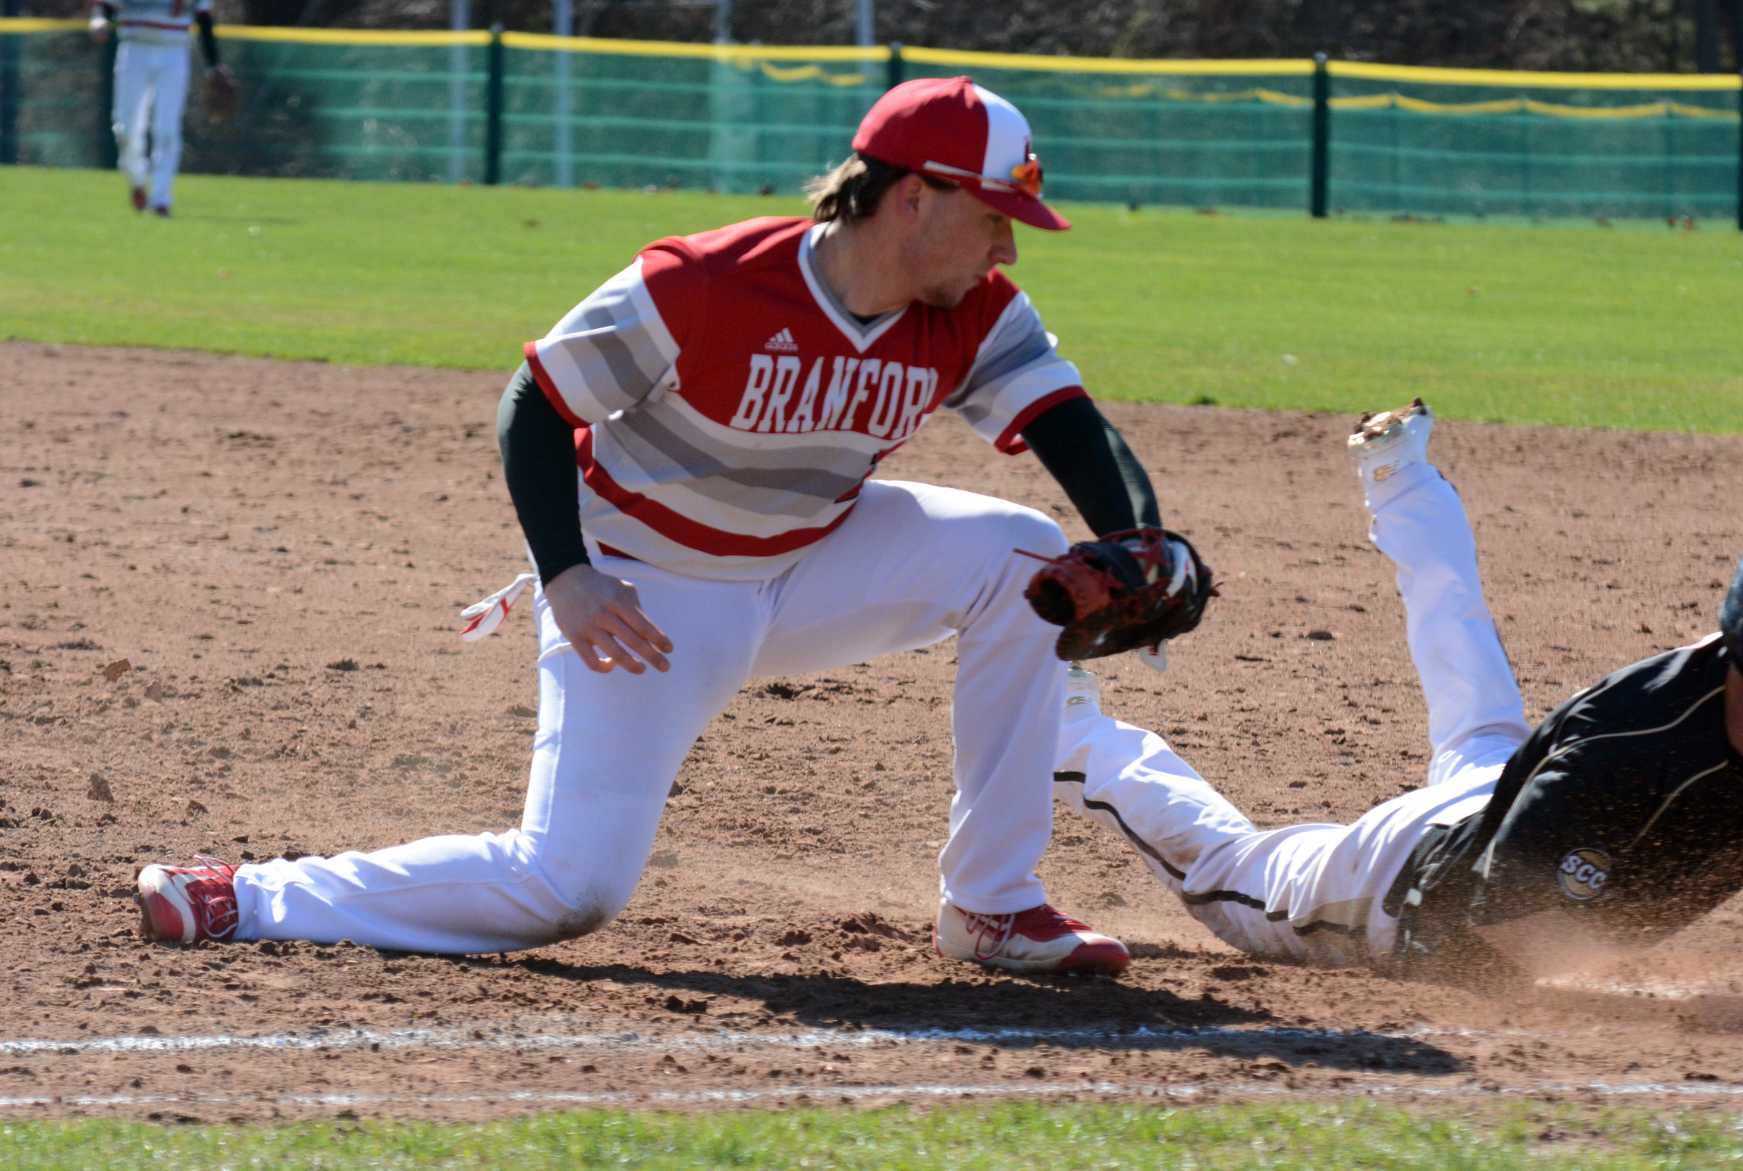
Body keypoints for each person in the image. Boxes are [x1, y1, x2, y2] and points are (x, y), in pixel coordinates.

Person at [133, 76, 1208, 975]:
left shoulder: (970, 311)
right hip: (647, 596)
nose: (1005, 250)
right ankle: (249, 894)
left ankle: (991, 904)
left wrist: (1140, 539)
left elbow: (1071, 426)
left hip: (812, 560)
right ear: (915, 196)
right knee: (569, 885)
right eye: (992, 217)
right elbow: (535, 406)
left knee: (1027, 555)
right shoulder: (705, 285)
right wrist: (566, 574)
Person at [1052, 400, 1743, 987]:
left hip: (1506, 800)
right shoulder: (1625, 755)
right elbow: (1479, 948)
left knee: (1478, 695)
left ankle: (1400, 476)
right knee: (1225, 872)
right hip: (1397, 886)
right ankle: (1077, 735)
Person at [89, 0, 234, 217]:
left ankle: (161, 199)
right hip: (134, 50)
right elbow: (105, 6)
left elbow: (203, 17)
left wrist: (213, 64)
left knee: (167, 129)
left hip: (174, 53)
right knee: (125, 129)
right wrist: (98, 20)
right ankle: (137, 180)